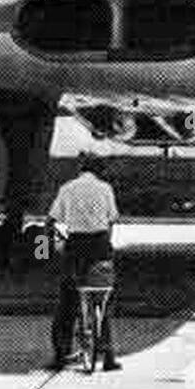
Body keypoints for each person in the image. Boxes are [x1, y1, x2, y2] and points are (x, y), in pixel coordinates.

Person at [47, 152, 121, 372]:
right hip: (100, 246)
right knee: (102, 300)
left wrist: (43, 252)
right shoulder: (105, 188)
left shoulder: (67, 188)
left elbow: (50, 221)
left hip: (75, 247)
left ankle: (60, 356)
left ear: (81, 169)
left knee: (67, 302)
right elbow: (112, 219)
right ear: (100, 171)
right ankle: (108, 357)